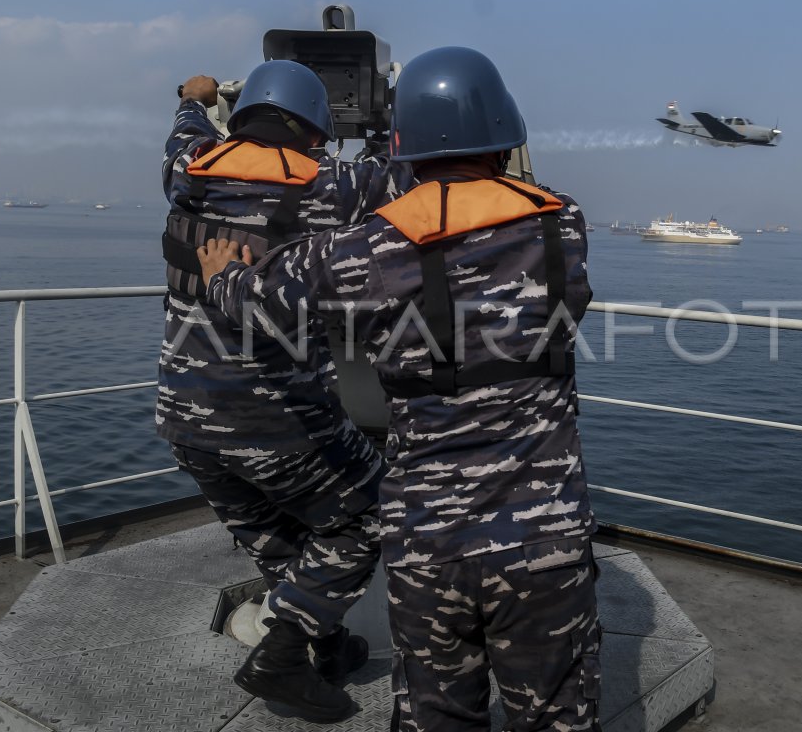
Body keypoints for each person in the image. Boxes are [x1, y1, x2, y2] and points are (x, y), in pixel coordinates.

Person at [197, 46, 600, 732]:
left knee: (438, 712)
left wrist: (220, 277)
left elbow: (269, 297)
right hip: (547, 535)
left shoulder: (369, 251)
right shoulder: (563, 226)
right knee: (560, 715)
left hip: (427, 539)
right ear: (504, 134)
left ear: (405, 145)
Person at [159, 60, 408, 722]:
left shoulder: (192, 166)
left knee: (280, 542)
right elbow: (409, 174)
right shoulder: (336, 184)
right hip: (274, 417)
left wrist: (195, 97)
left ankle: (327, 651)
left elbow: (184, 126)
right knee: (373, 513)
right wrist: (389, 112)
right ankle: (282, 658)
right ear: (315, 131)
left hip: (183, 417)